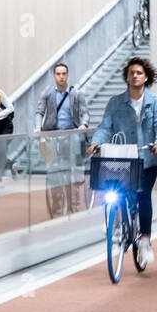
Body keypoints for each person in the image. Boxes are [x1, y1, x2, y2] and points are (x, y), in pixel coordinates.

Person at [88, 57, 157, 266]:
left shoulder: (156, 102)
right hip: (123, 159)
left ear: (146, 77)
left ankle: (144, 239)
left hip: (148, 158)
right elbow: (105, 126)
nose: (135, 75)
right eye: (132, 72)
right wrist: (96, 142)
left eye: (139, 73)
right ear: (126, 76)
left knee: (143, 196)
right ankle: (119, 225)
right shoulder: (115, 102)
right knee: (118, 192)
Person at [34, 62, 88, 213]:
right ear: (54, 76)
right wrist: (38, 126)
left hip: (72, 136)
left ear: (67, 75)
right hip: (53, 136)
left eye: (64, 74)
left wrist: (83, 124)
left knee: (73, 171)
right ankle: (57, 207)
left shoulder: (76, 94)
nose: (61, 77)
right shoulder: (47, 93)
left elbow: (85, 113)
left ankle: (74, 206)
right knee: (54, 172)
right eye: (58, 74)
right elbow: (39, 112)